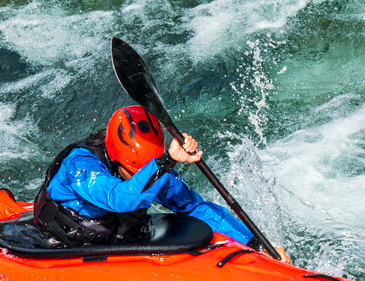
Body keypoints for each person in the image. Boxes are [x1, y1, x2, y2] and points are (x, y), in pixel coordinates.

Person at [33, 106, 290, 262]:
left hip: (116, 239)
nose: (140, 176)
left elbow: (194, 208)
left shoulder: (154, 169)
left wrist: (254, 243)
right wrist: (165, 163)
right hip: (62, 242)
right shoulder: (80, 164)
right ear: (114, 155)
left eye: (148, 168)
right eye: (135, 171)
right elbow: (119, 199)